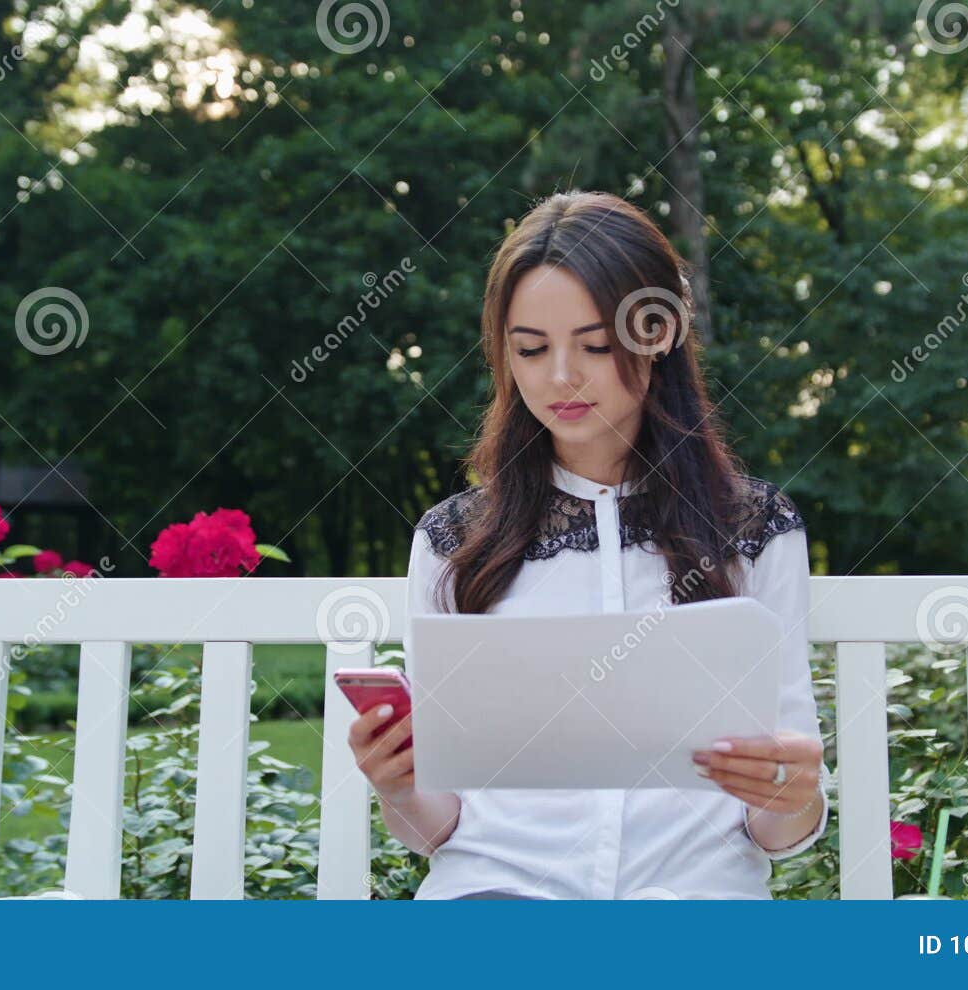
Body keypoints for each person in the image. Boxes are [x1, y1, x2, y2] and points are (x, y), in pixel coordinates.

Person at [346, 190, 831, 899]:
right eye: (531, 349)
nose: (561, 376)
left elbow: (778, 830)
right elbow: (436, 830)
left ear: (659, 331)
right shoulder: (456, 540)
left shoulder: (753, 530)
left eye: (596, 345)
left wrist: (794, 795)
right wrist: (397, 788)